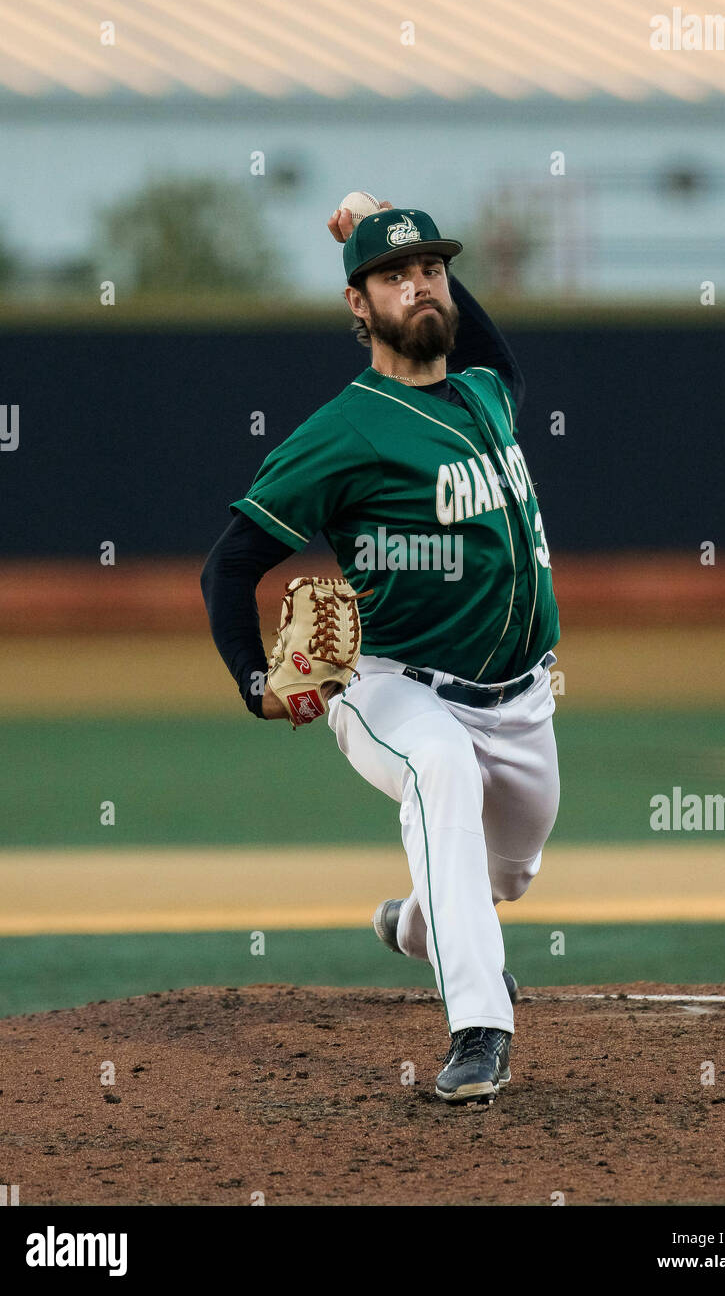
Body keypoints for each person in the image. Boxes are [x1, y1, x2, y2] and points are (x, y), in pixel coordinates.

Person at [201, 201, 561, 1104]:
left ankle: (421, 924)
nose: (420, 287)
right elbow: (230, 564)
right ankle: (479, 1027)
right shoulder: (344, 431)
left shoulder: (484, 394)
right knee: (441, 771)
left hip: (522, 701)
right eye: (395, 277)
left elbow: (496, 354)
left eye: (432, 271)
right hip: (394, 686)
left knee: (504, 875)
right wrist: (253, 679)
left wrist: (403, 242)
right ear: (357, 304)